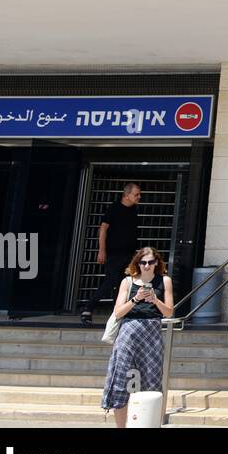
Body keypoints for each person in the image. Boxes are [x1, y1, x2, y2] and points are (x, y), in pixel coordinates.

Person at [100, 247, 174, 427]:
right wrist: (135, 299)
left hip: (152, 332)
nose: (147, 266)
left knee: (152, 380)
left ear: (157, 263)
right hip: (128, 331)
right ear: (137, 263)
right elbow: (118, 312)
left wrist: (155, 300)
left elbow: (169, 313)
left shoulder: (164, 281)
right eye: (143, 262)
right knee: (120, 380)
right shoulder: (128, 282)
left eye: (150, 262)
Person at [80, 183, 141, 325]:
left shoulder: (134, 210)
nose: (139, 197)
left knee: (124, 285)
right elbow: (103, 229)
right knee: (110, 282)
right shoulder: (114, 208)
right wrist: (102, 250)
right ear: (126, 195)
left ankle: (118, 314)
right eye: (136, 194)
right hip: (114, 254)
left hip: (129, 254)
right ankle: (88, 307)